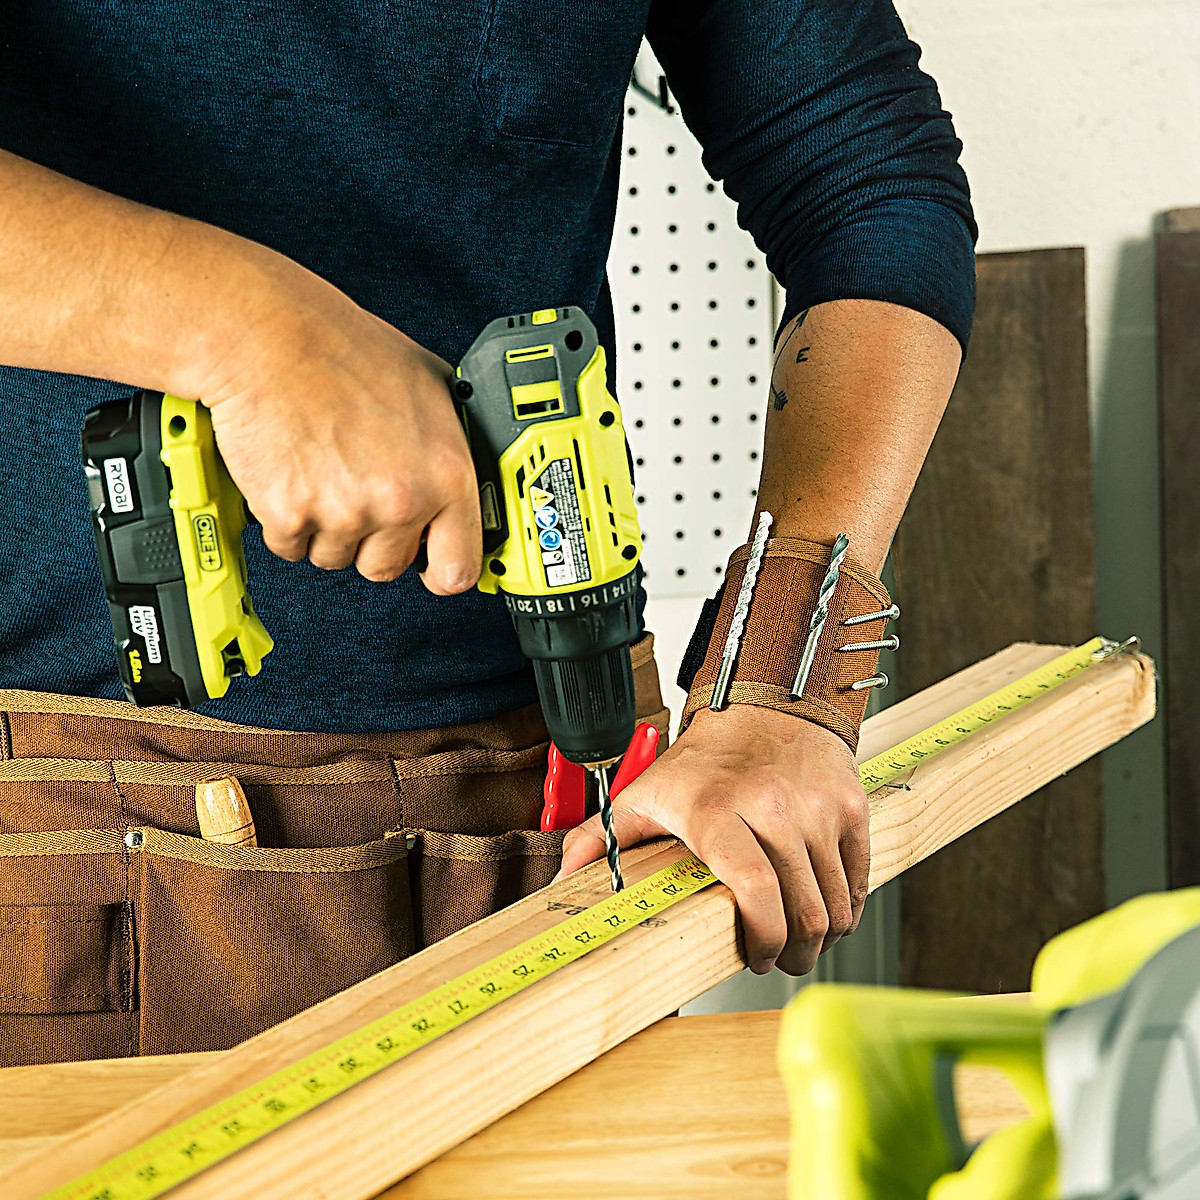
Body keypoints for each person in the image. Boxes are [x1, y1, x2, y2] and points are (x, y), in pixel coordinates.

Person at [0, 1, 973, 1063]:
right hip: (78, 832)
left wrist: (783, 679)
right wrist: (243, 331)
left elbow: (870, 183)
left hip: (557, 811)